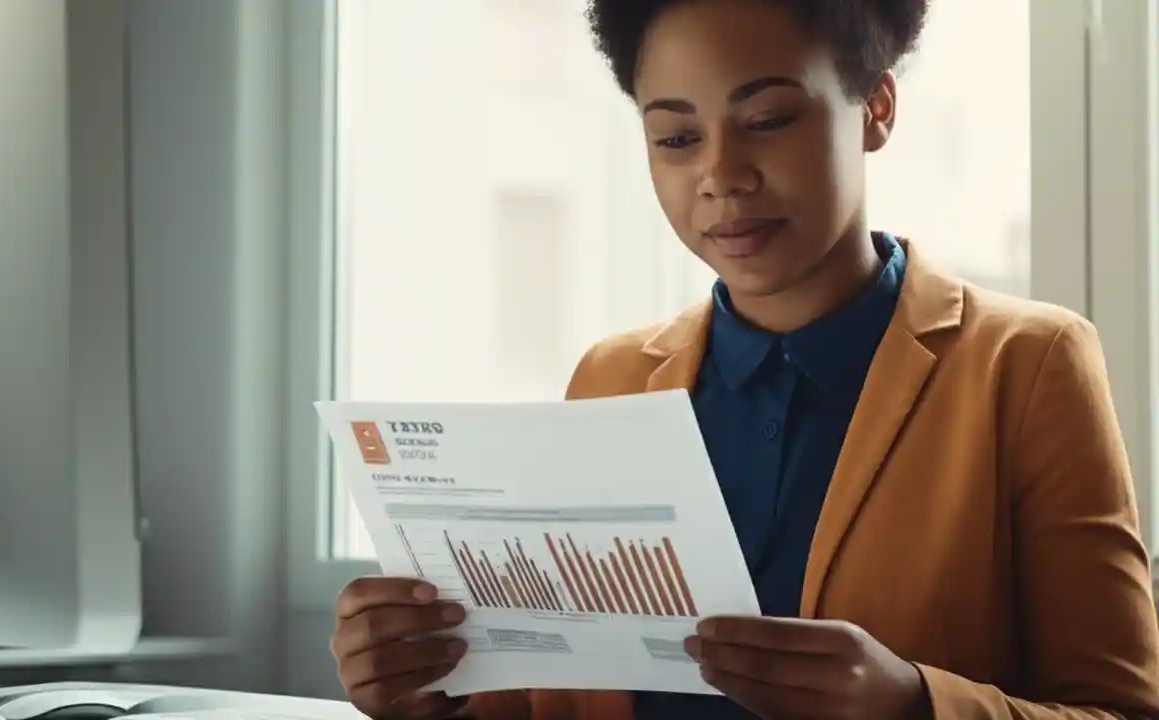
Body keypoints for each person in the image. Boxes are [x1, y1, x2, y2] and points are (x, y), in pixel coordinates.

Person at [329, 0, 1159, 717]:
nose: (720, 177)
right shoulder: (609, 380)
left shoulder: (1028, 365)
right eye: (677, 136)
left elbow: (1117, 708)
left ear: (875, 107)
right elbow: (552, 700)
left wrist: (914, 703)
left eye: (766, 121)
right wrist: (421, 694)